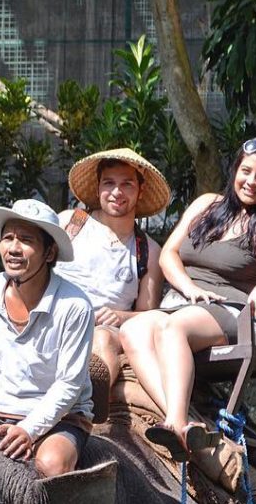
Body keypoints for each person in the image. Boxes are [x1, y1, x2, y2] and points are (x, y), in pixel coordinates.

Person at [119, 136, 256, 460]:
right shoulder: (207, 204)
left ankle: (173, 423)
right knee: (131, 330)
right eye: (246, 171)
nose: (252, 181)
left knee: (173, 328)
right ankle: (186, 423)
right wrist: (189, 289)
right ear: (235, 170)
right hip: (184, 301)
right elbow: (169, 255)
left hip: (232, 312)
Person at [0, 198, 94, 476]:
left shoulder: (75, 305)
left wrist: (29, 429)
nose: (13, 248)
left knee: (52, 464)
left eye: (26, 240)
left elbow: (69, 384)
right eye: (8, 238)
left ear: (49, 253)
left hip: (62, 417)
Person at [56, 147, 171, 422]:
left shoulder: (148, 251)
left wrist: (120, 316)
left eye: (126, 184)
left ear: (140, 191)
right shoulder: (69, 223)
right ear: (97, 189)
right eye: (109, 183)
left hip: (109, 330)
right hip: (57, 322)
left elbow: (148, 316)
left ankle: (81, 410)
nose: (117, 192)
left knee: (103, 339)